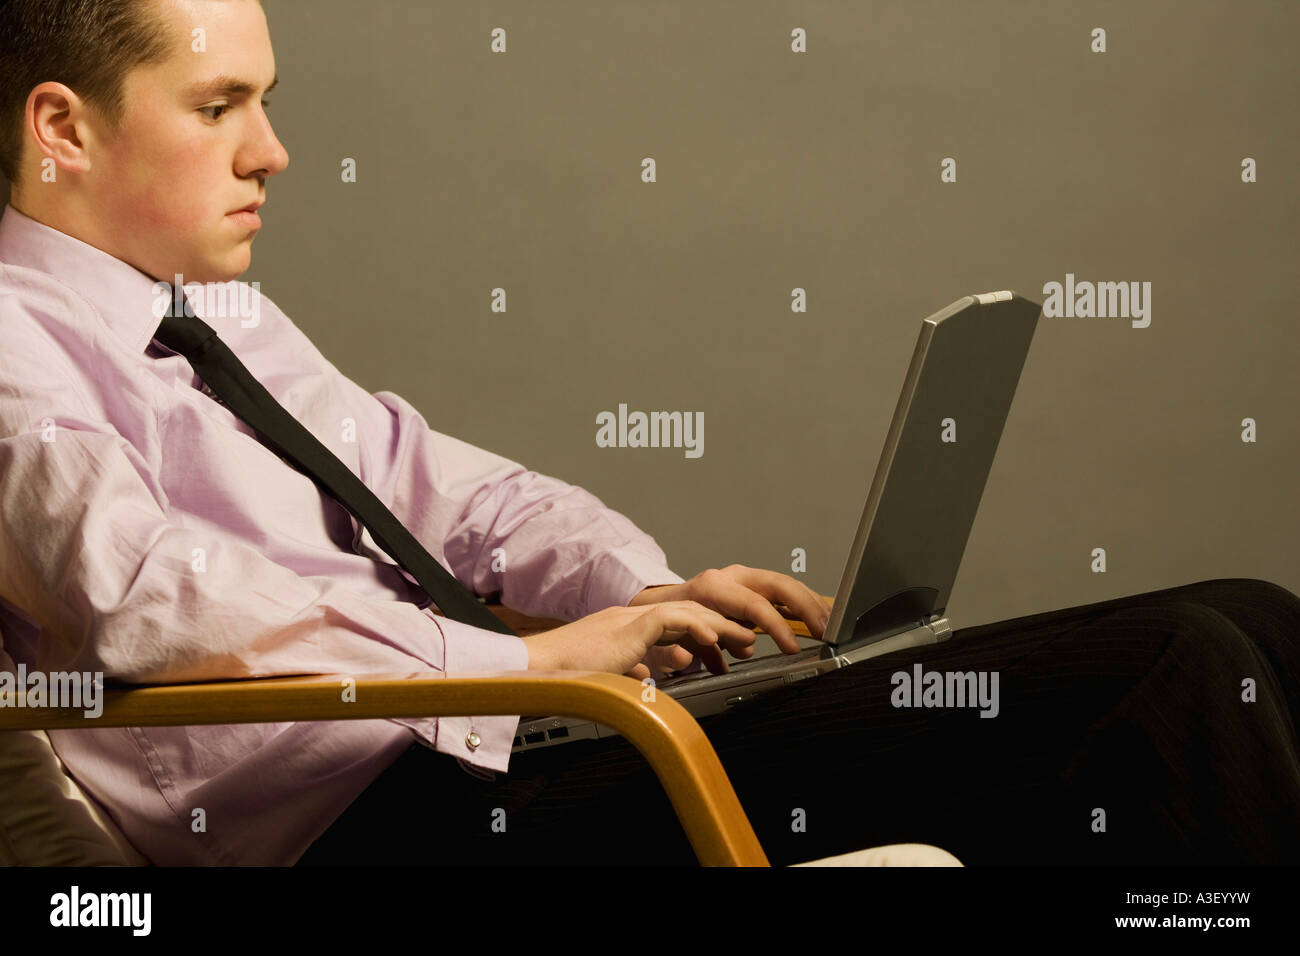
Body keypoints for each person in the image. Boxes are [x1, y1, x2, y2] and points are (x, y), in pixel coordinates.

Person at [0, 0, 1296, 868]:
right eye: (220, 106)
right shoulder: (13, 342)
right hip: (380, 819)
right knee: (1170, 670)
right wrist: (515, 666)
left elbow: (447, 485)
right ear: (63, 129)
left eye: (266, 103)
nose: (274, 151)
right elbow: (148, 600)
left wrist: (646, 600)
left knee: (1258, 617)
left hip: (501, 736)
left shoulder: (216, 316)